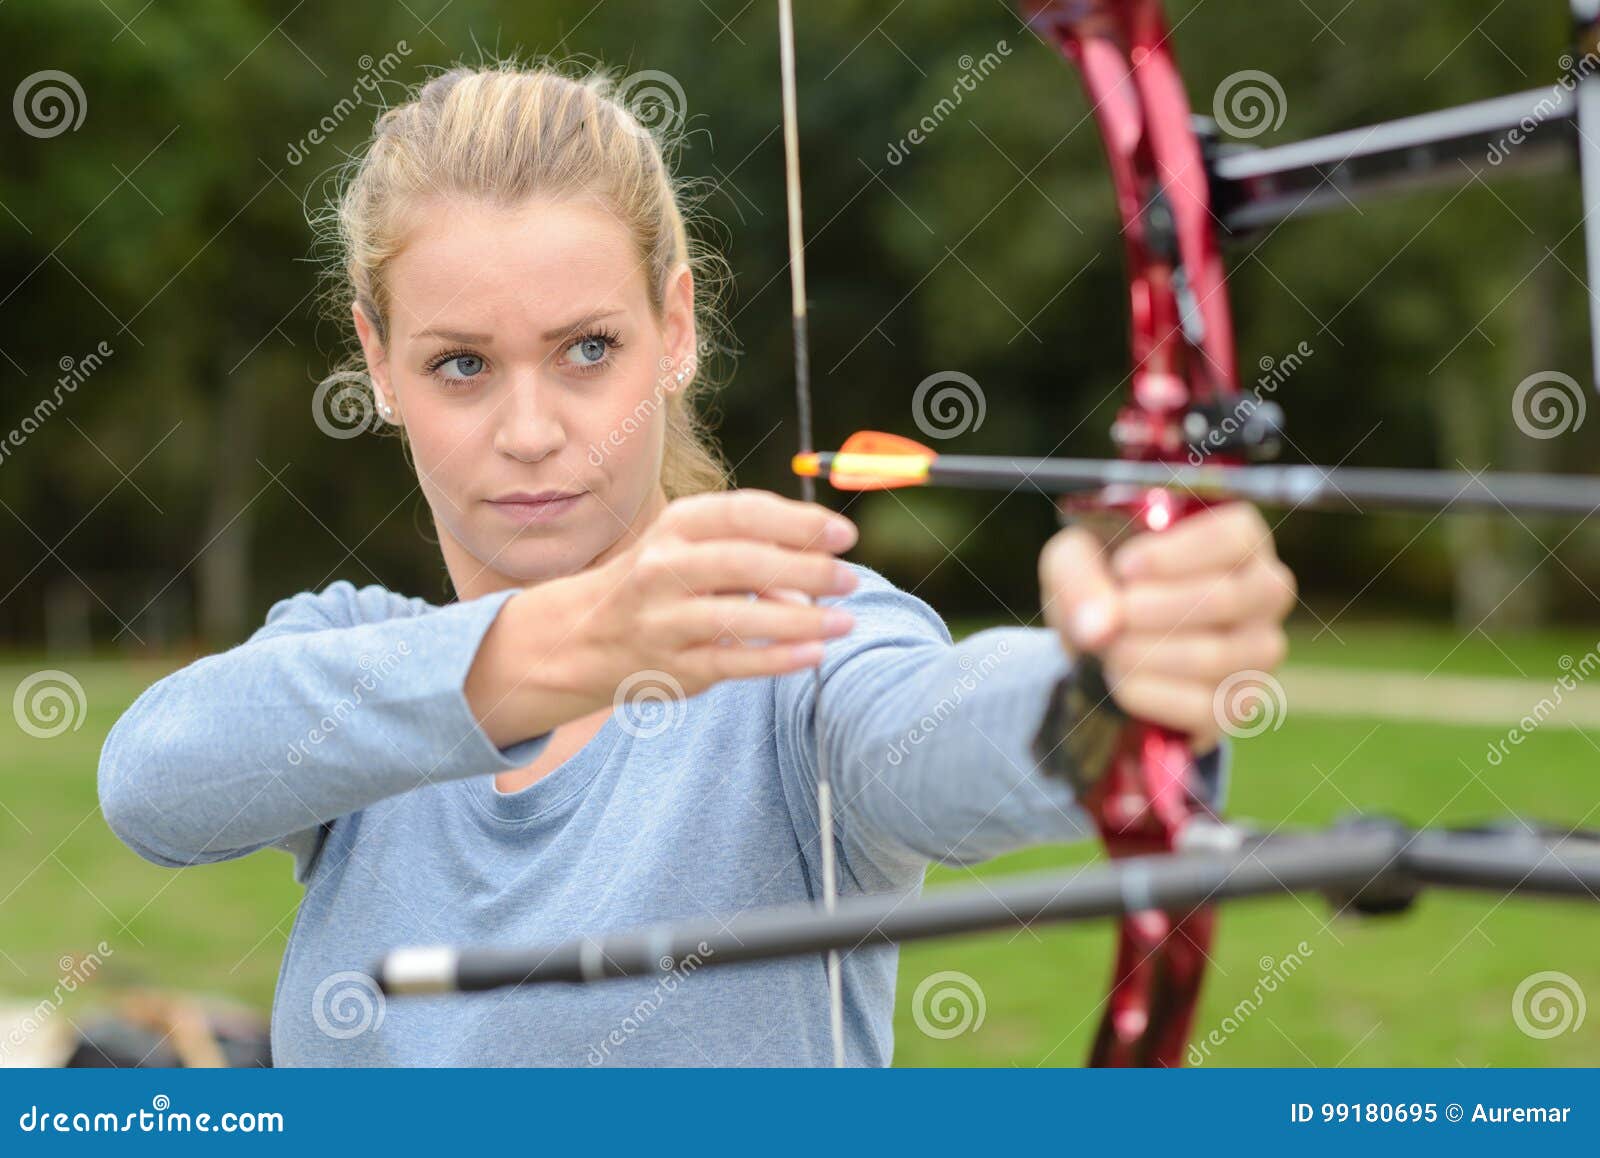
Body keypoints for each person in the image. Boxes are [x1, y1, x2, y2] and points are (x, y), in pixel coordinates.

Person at [97, 63, 1295, 1066]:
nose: (529, 431)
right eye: (461, 364)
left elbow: (937, 737)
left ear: (673, 330)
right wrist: (573, 650)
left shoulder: (785, 634)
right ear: (376, 357)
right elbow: (154, 782)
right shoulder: (355, 662)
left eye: (587, 350)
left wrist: (1106, 682)